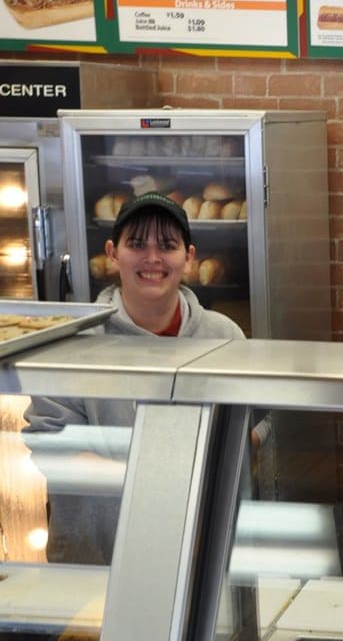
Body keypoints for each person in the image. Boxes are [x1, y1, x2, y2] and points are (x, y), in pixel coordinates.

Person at [23, 192, 246, 564]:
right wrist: (152, 480)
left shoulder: (223, 337)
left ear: (189, 257)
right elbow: (51, 446)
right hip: (95, 558)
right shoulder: (74, 342)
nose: (153, 258)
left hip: (197, 556)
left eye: (168, 246)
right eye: (137, 244)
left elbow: (253, 429)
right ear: (113, 254)